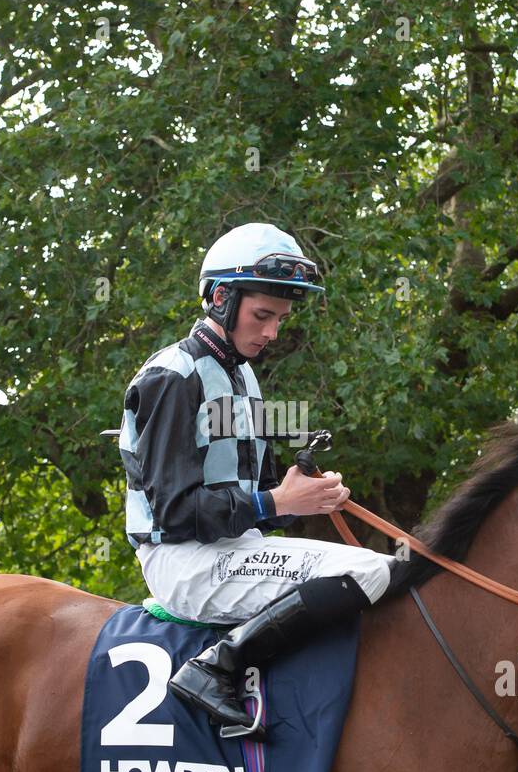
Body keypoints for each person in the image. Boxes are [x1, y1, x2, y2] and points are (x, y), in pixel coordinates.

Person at [117, 222, 406, 737]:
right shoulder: (173, 377)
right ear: (221, 298)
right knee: (373, 571)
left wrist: (306, 495)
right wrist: (276, 502)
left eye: (280, 319)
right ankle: (214, 668)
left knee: (390, 567)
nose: (272, 332)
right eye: (262, 316)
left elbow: (258, 492)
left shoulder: (242, 377)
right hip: (184, 560)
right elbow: (176, 512)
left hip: (232, 549)